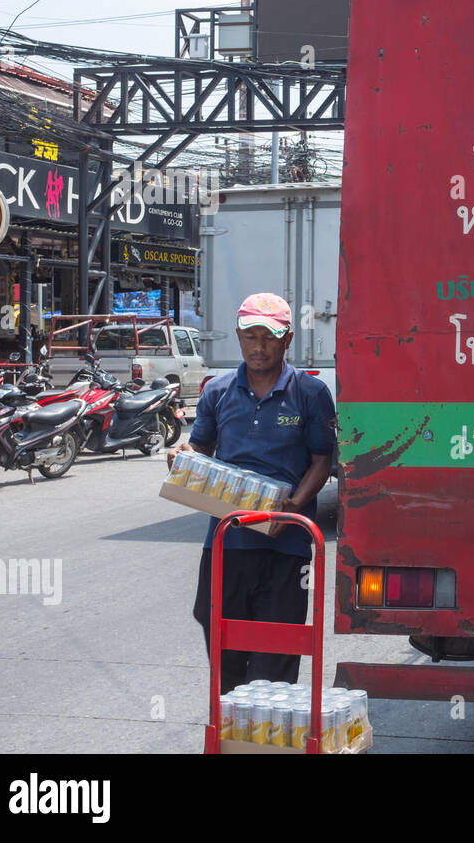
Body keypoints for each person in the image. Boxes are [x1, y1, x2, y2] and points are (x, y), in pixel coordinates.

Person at [169, 292, 336, 692]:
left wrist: (295, 505)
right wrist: (182, 454)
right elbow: (202, 450)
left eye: (269, 337)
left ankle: (269, 732)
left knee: (277, 644)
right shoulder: (218, 391)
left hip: (287, 544)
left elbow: (322, 460)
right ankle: (232, 723)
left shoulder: (309, 394)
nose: (259, 347)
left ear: (287, 340)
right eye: (250, 336)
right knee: (219, 629)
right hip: (227, 539)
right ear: (239, 338)